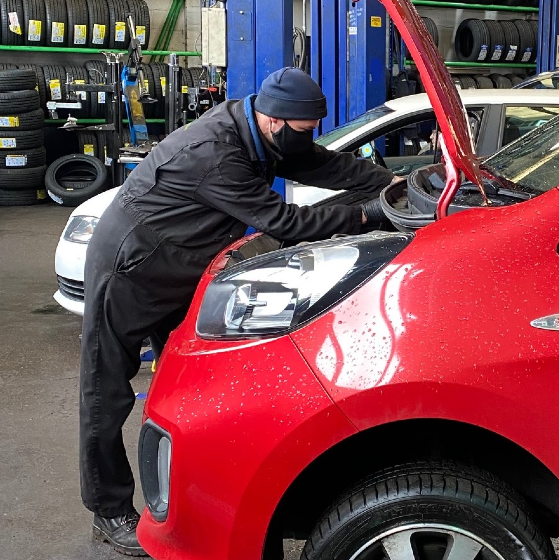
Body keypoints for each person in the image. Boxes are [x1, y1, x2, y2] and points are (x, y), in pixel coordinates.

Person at [79, 67, 396, 556]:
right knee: (106, 391)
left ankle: (186, 498)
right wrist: (363, 213)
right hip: (131, 267)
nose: (307, 138)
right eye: (303, 130)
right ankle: (109, 508)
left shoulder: (262, 134)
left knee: (189, 388)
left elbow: (321, 165)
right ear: (272, 120)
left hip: (182, 260)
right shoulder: (216, 154)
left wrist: (392, 184)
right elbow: (283, 222)